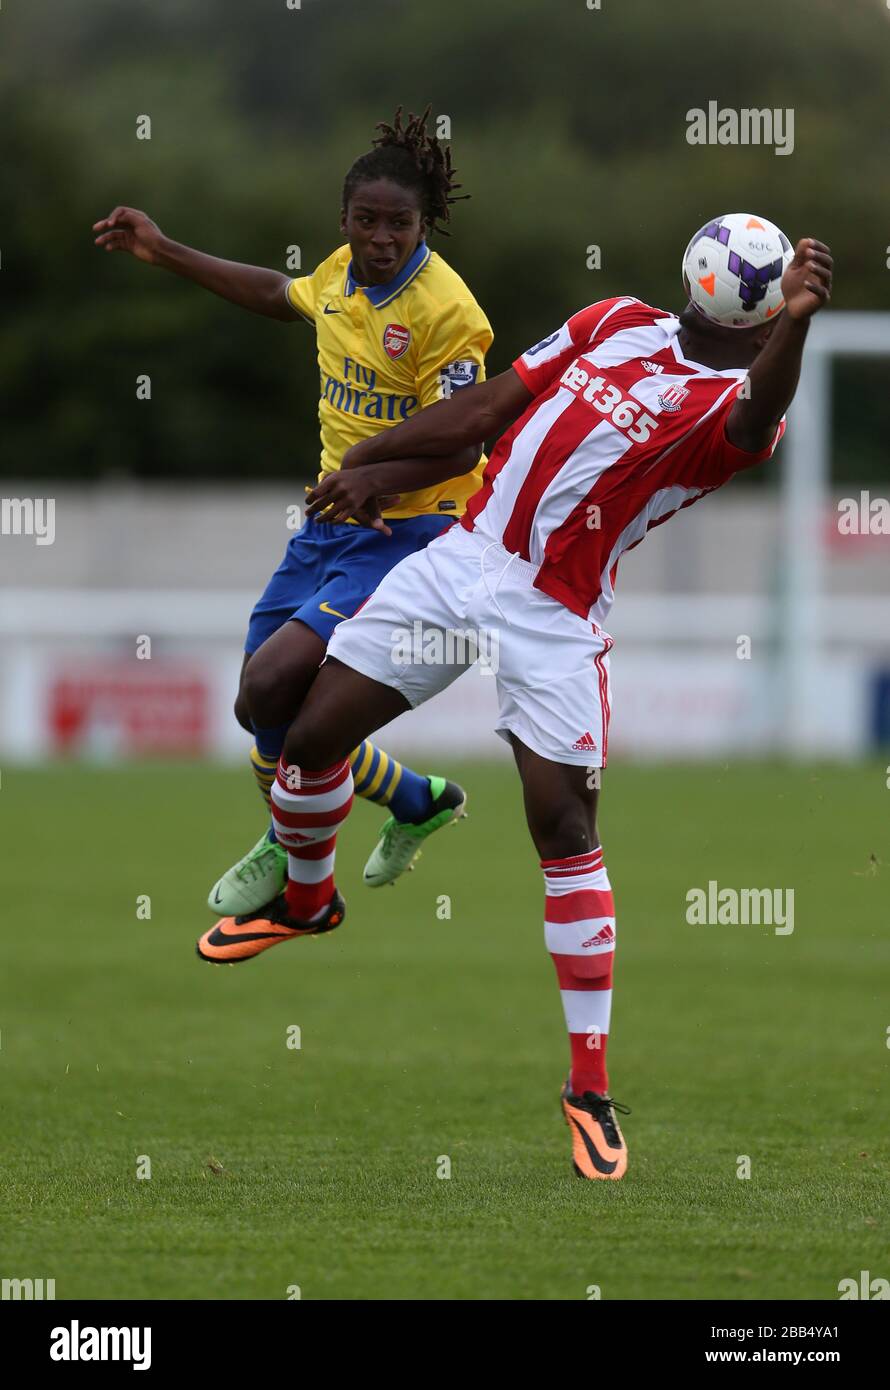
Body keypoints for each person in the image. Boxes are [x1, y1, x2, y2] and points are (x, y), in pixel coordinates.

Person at [196, 219, 832, 1180]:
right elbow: (488, 407)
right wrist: (374, 462)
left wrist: (799, 326)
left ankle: (588, 1090)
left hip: (556, 617)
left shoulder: (737, 407)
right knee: (307, 734)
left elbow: (757, 413)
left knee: (565, 827)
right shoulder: (614, 318)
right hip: (462, 562)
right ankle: (308, 900)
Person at [93, 109, 493, 941]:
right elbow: (282, 296)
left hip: (412, 536)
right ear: (343, 220)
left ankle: (297, 869)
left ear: (426, 225)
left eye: (399, 224)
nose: (380, 239)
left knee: (279, 688)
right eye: (366, 221)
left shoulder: (446, 311)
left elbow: (465, 441)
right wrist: (164, 250)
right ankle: (415, 801)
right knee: (259, 710)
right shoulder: (341, 276)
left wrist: (374, 476)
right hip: (330, 524)